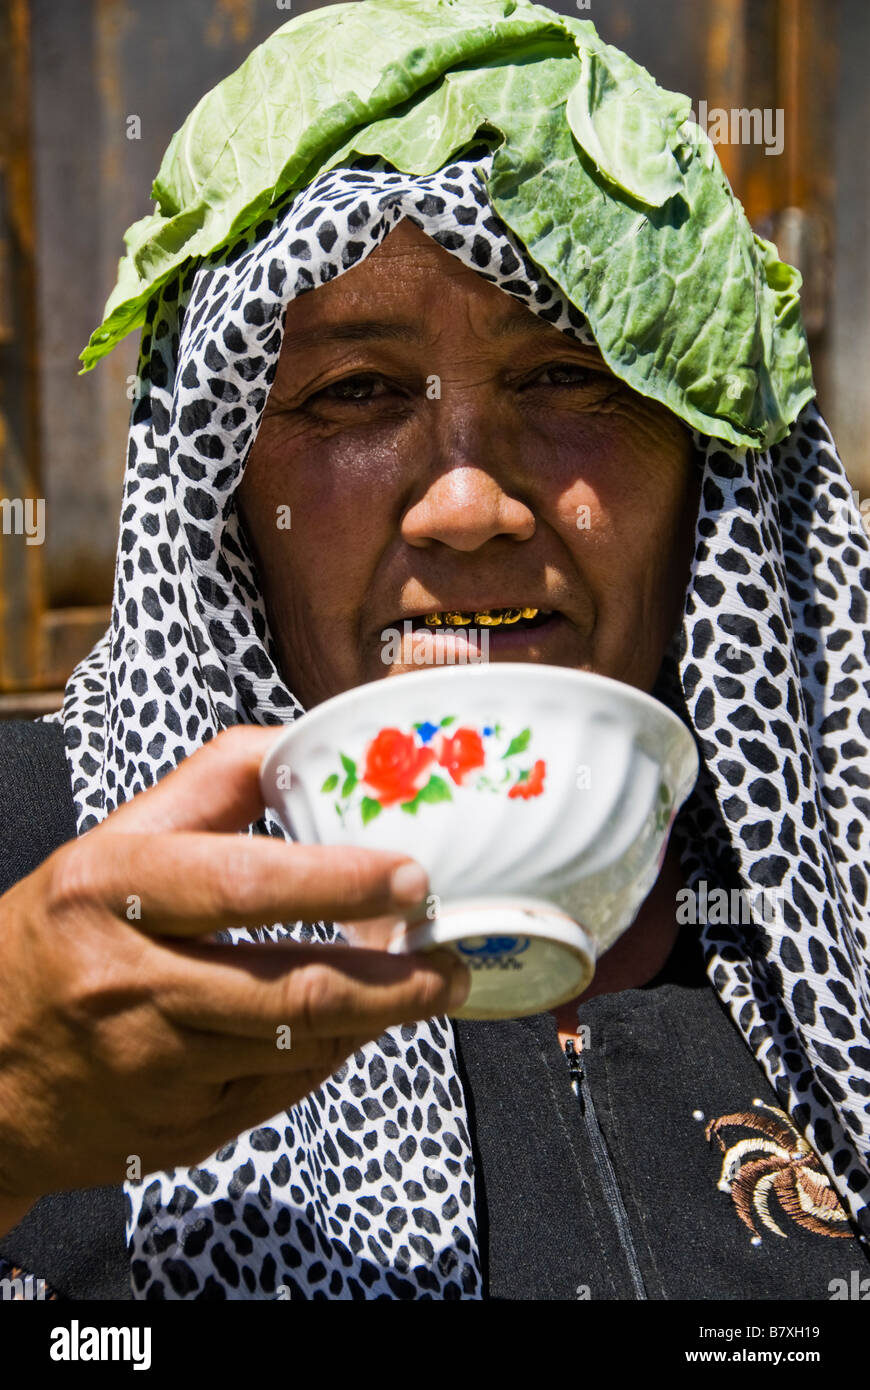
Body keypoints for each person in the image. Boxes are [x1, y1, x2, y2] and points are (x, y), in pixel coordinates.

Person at [0, 0, 868, 1300]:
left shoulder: (832, 894)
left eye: (570, 377)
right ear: (225, 489)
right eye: (353, 391)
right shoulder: (37, 868)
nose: (469, 505)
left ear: (710, 466)